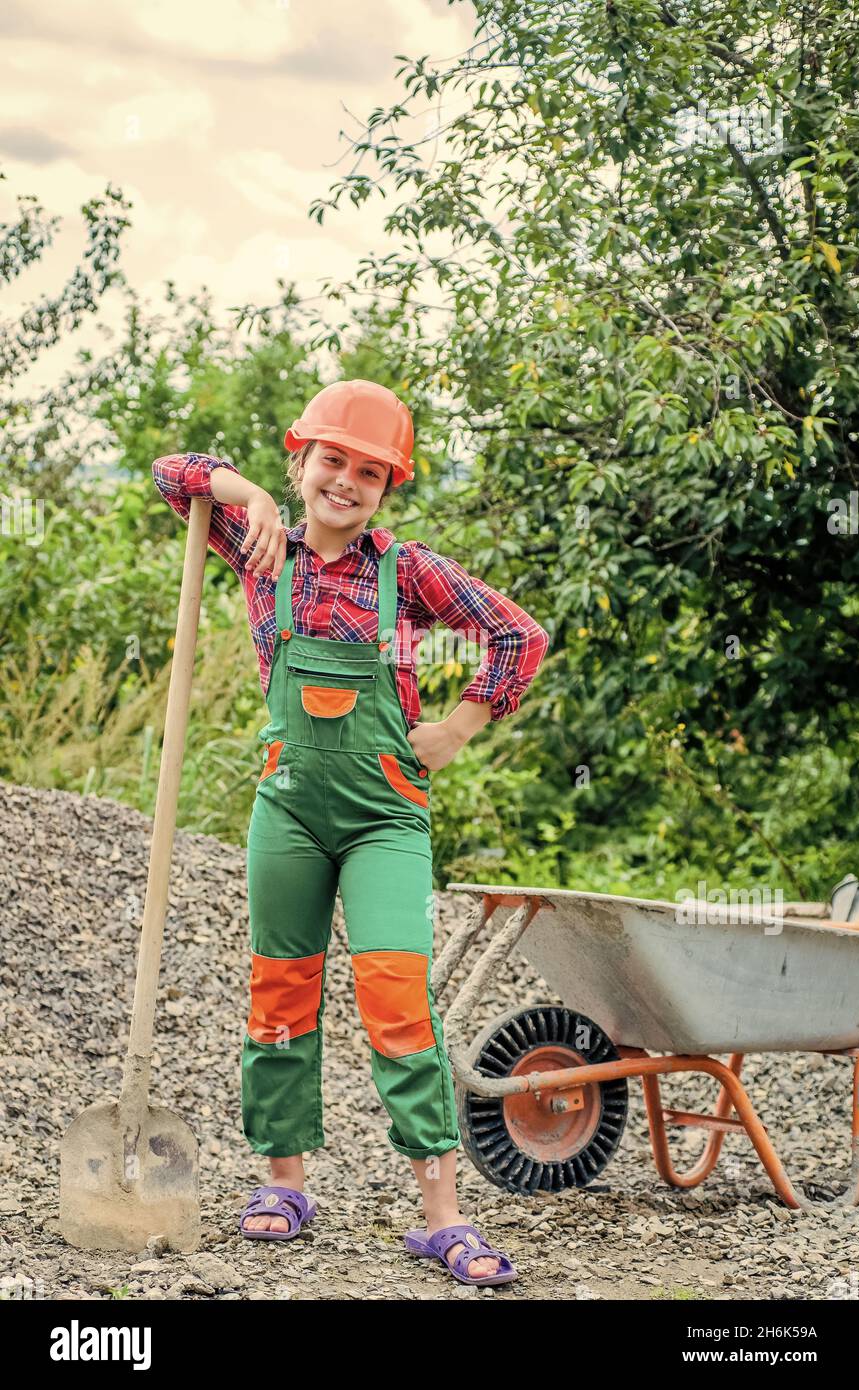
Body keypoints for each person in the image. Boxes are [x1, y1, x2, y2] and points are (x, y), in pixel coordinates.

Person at [152, 378, 549, 1287]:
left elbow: (514, 637)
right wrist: (242, 492)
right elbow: (173, 478)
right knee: (279, 995)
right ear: (301, 461)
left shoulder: (402, 570)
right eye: (332, 459)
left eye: (370, 471)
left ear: (387, 487)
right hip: (287, 805)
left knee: (397, 1000)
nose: (347, 482)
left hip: (384, 815)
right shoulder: (258, 548)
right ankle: (282, 1184)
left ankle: (441, 1217)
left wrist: (456, 729)